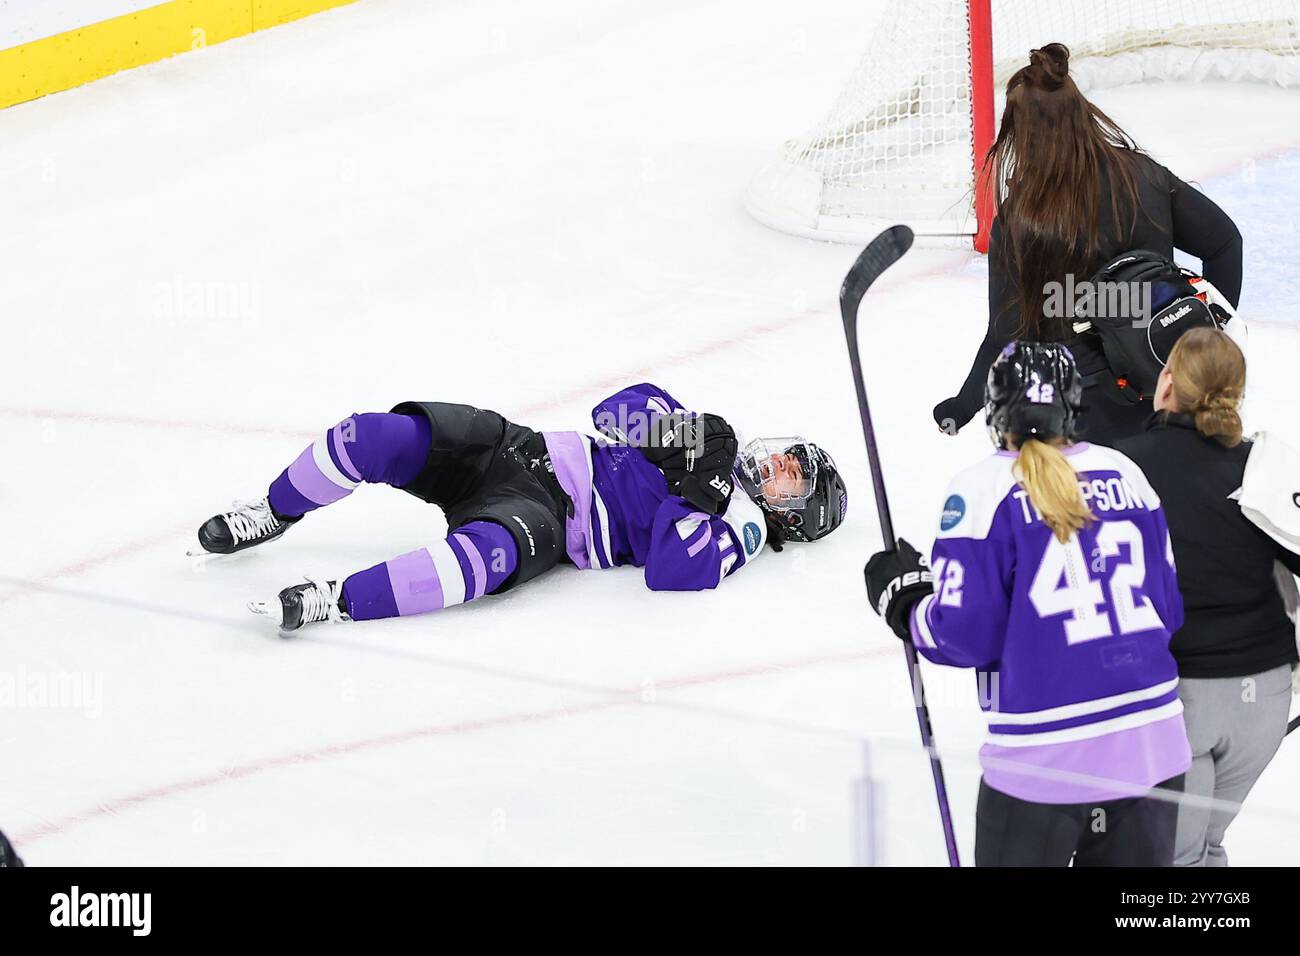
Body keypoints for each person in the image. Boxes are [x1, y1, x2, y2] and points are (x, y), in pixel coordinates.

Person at [867, 341, 1191, 866]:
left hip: (1043, 759)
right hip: (1153, 748)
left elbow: (964, 633)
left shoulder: (982, 489)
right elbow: (1168, 612)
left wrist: (906, 603)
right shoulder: (1127, 474)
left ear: (997, 412)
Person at [194, 383, 847, 629]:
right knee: (372, 434)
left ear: (791, 517)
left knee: (481, 561)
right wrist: (674, 430)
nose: (782, 464)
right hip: (516, 449)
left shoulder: (743, 526)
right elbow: (613, 410)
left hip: (554, 521)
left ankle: (336, 600)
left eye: (795, 479)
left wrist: (694, 495)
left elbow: (673, 572)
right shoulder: (715, 443)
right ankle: (275, 511)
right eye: (793, 455)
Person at [933, 43, 1242, 445]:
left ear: (1019, 134)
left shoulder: (1021, 217)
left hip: (1082, 412)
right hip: (1163, 382)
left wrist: (965, 402)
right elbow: (1224, 244)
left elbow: (1005, 333)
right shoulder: (1144, 175)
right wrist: (1206, 341)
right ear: (1081, 112)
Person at [1117, 327, 1300, 866]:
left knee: (1170, 859)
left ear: (1167, 380)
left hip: (1179, 699)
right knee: (1201, 850)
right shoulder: (1265, 468)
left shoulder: (1122, 466)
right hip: (1264, 701)